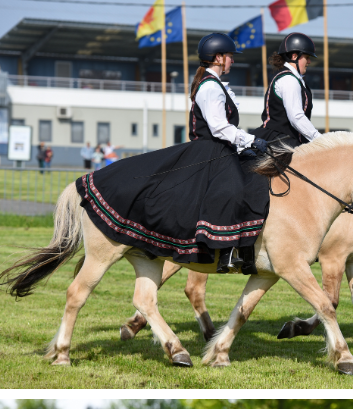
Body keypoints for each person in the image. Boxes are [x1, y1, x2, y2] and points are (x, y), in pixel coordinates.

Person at [74, 33, 269, 273]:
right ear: (218, 58)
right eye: (229, 56)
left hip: (219, 149)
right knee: (232, 189)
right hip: (212, 150)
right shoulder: (210, 87)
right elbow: (219, 127)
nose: (232, 61)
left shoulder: (215, 85)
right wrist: (250, 139)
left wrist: (246, 145)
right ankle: (227, 252)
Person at [250, 32, 322, 148]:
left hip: (288, 140)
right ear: (294, 56)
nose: (309, 62)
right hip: (279, 142)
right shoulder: (289, 79)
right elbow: (296, 116)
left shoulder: (296, 79)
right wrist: (320, 140)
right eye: (307, 57)